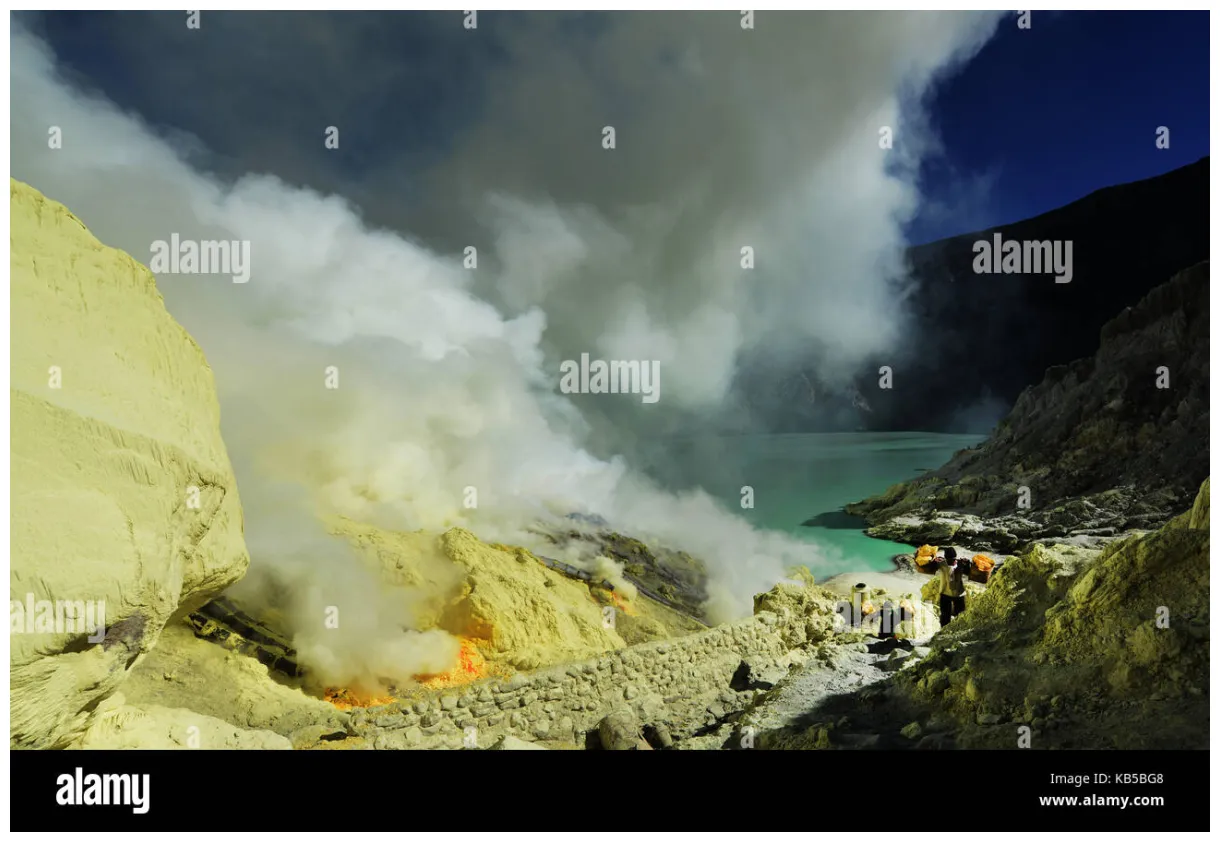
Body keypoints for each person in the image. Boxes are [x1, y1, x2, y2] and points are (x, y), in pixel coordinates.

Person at [934, 547, 971, 627]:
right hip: (945, 594)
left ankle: (959, 631)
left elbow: (968, 573)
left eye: (953, 559)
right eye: (949, 559)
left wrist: (968, 564)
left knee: (960, 616)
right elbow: (931, 567)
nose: (951, 561)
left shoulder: (960, 564)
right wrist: (933, 560)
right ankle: (943, 633)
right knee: (945, 617)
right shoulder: (941, 563)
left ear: (955, 558)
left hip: (958, 594)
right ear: (945, 558)